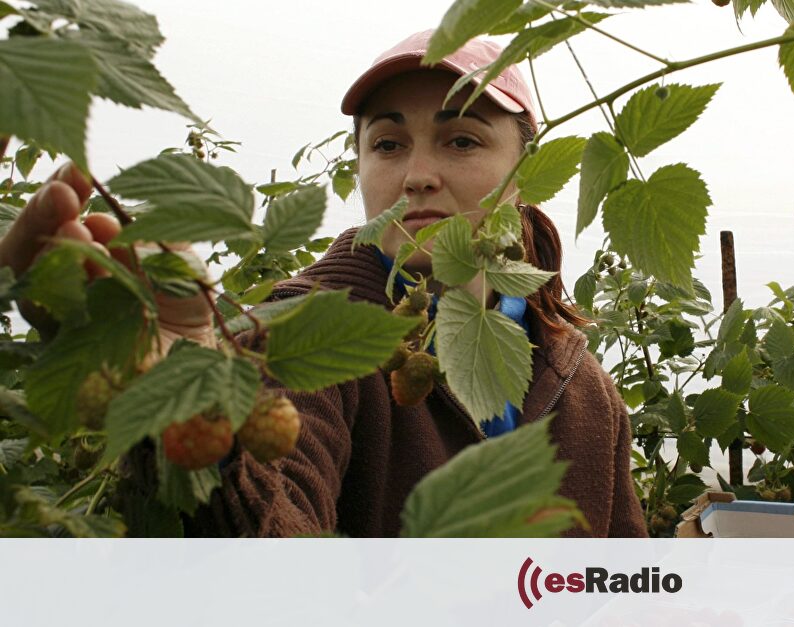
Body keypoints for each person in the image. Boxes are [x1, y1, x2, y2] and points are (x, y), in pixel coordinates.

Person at [0, 30, 649, 538]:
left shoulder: (584, 387)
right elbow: (275, 547)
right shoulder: (300, 338)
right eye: (388, 144)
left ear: (526, 171)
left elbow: (627, 587)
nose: (417, 174)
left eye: (460, 140)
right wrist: (199, 421)